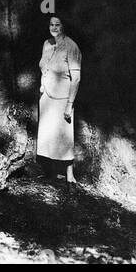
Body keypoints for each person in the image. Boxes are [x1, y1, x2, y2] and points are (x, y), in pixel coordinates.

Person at [37, 14, 81, 183]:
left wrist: (69, 105)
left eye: (58, 24)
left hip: (63, 98)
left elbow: (76, 78)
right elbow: (44, 68)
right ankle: (51, 173)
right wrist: (42, 86)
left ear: (64, 26)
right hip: (46, 96)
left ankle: (70, 176)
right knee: (49, 135)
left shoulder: (71, 47)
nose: (54, 27)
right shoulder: (46, 44)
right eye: (51, 24)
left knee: (65, 136)